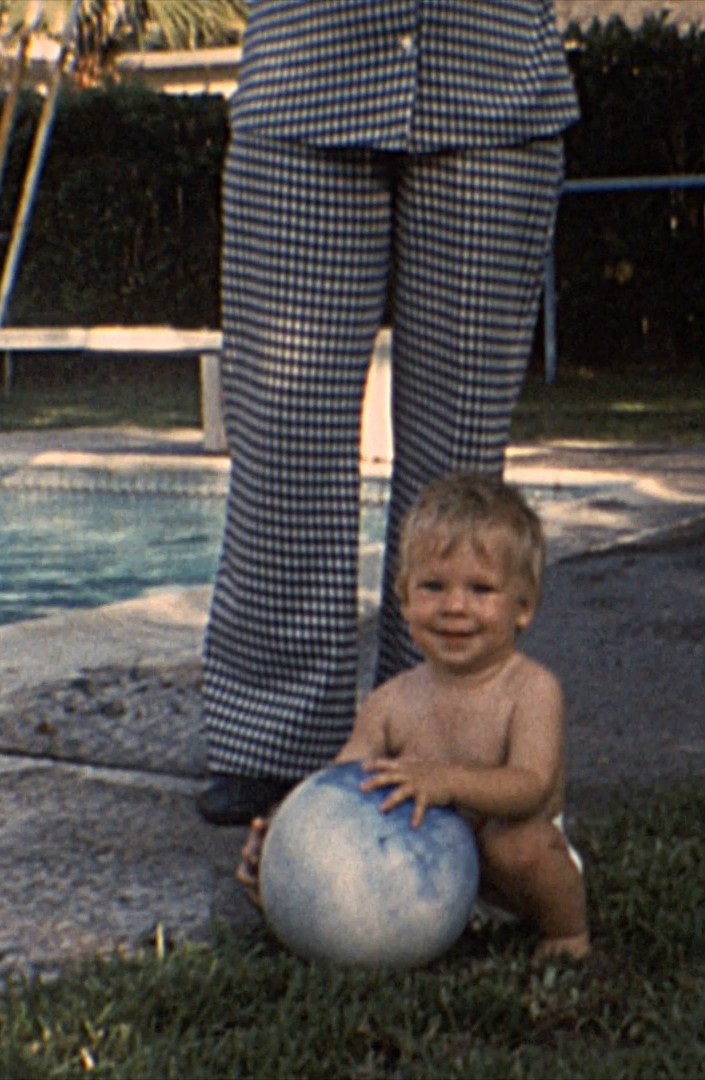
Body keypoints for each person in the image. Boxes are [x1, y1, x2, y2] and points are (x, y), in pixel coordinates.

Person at [194, 0, 581, 826]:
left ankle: (444, 727)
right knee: (286, 436)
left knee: (461, 448)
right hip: (307, 82)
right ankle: (273, 741)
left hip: (491, 88)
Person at [238, 472, 590, 962]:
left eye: (481, 589)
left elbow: (530, 785)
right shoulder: (391, 701)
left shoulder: (530, 690)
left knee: (517, 843)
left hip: (509, 875)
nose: (454, 607)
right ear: (403, 600)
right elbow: (340, 785)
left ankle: (566, 931)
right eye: (432, 586)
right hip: (420, 870)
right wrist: (284, 835)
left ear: (523, 607)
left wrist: (448, 782)